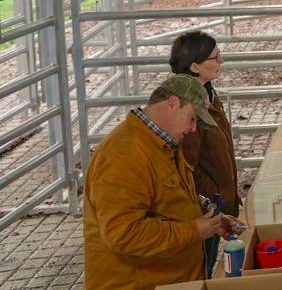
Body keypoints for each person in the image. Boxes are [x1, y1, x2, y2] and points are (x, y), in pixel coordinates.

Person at [83, 74, 242, 290]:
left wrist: (209, 217)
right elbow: (123, 234)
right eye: (192, 118)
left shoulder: (164, 144)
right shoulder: (123, 156)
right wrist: (195, 230)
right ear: (172, 104)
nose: (194, 129)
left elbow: (169, 196)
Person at [171, 30, 241, 277]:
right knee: (201, 268)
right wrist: (214, 198)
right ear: (194, 66)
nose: (221, 63)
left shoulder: (208, 94)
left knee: (208, 264)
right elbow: (187, 165)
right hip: (205, 209)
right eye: (215, 58)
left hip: (214, 204)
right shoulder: (187, 107)